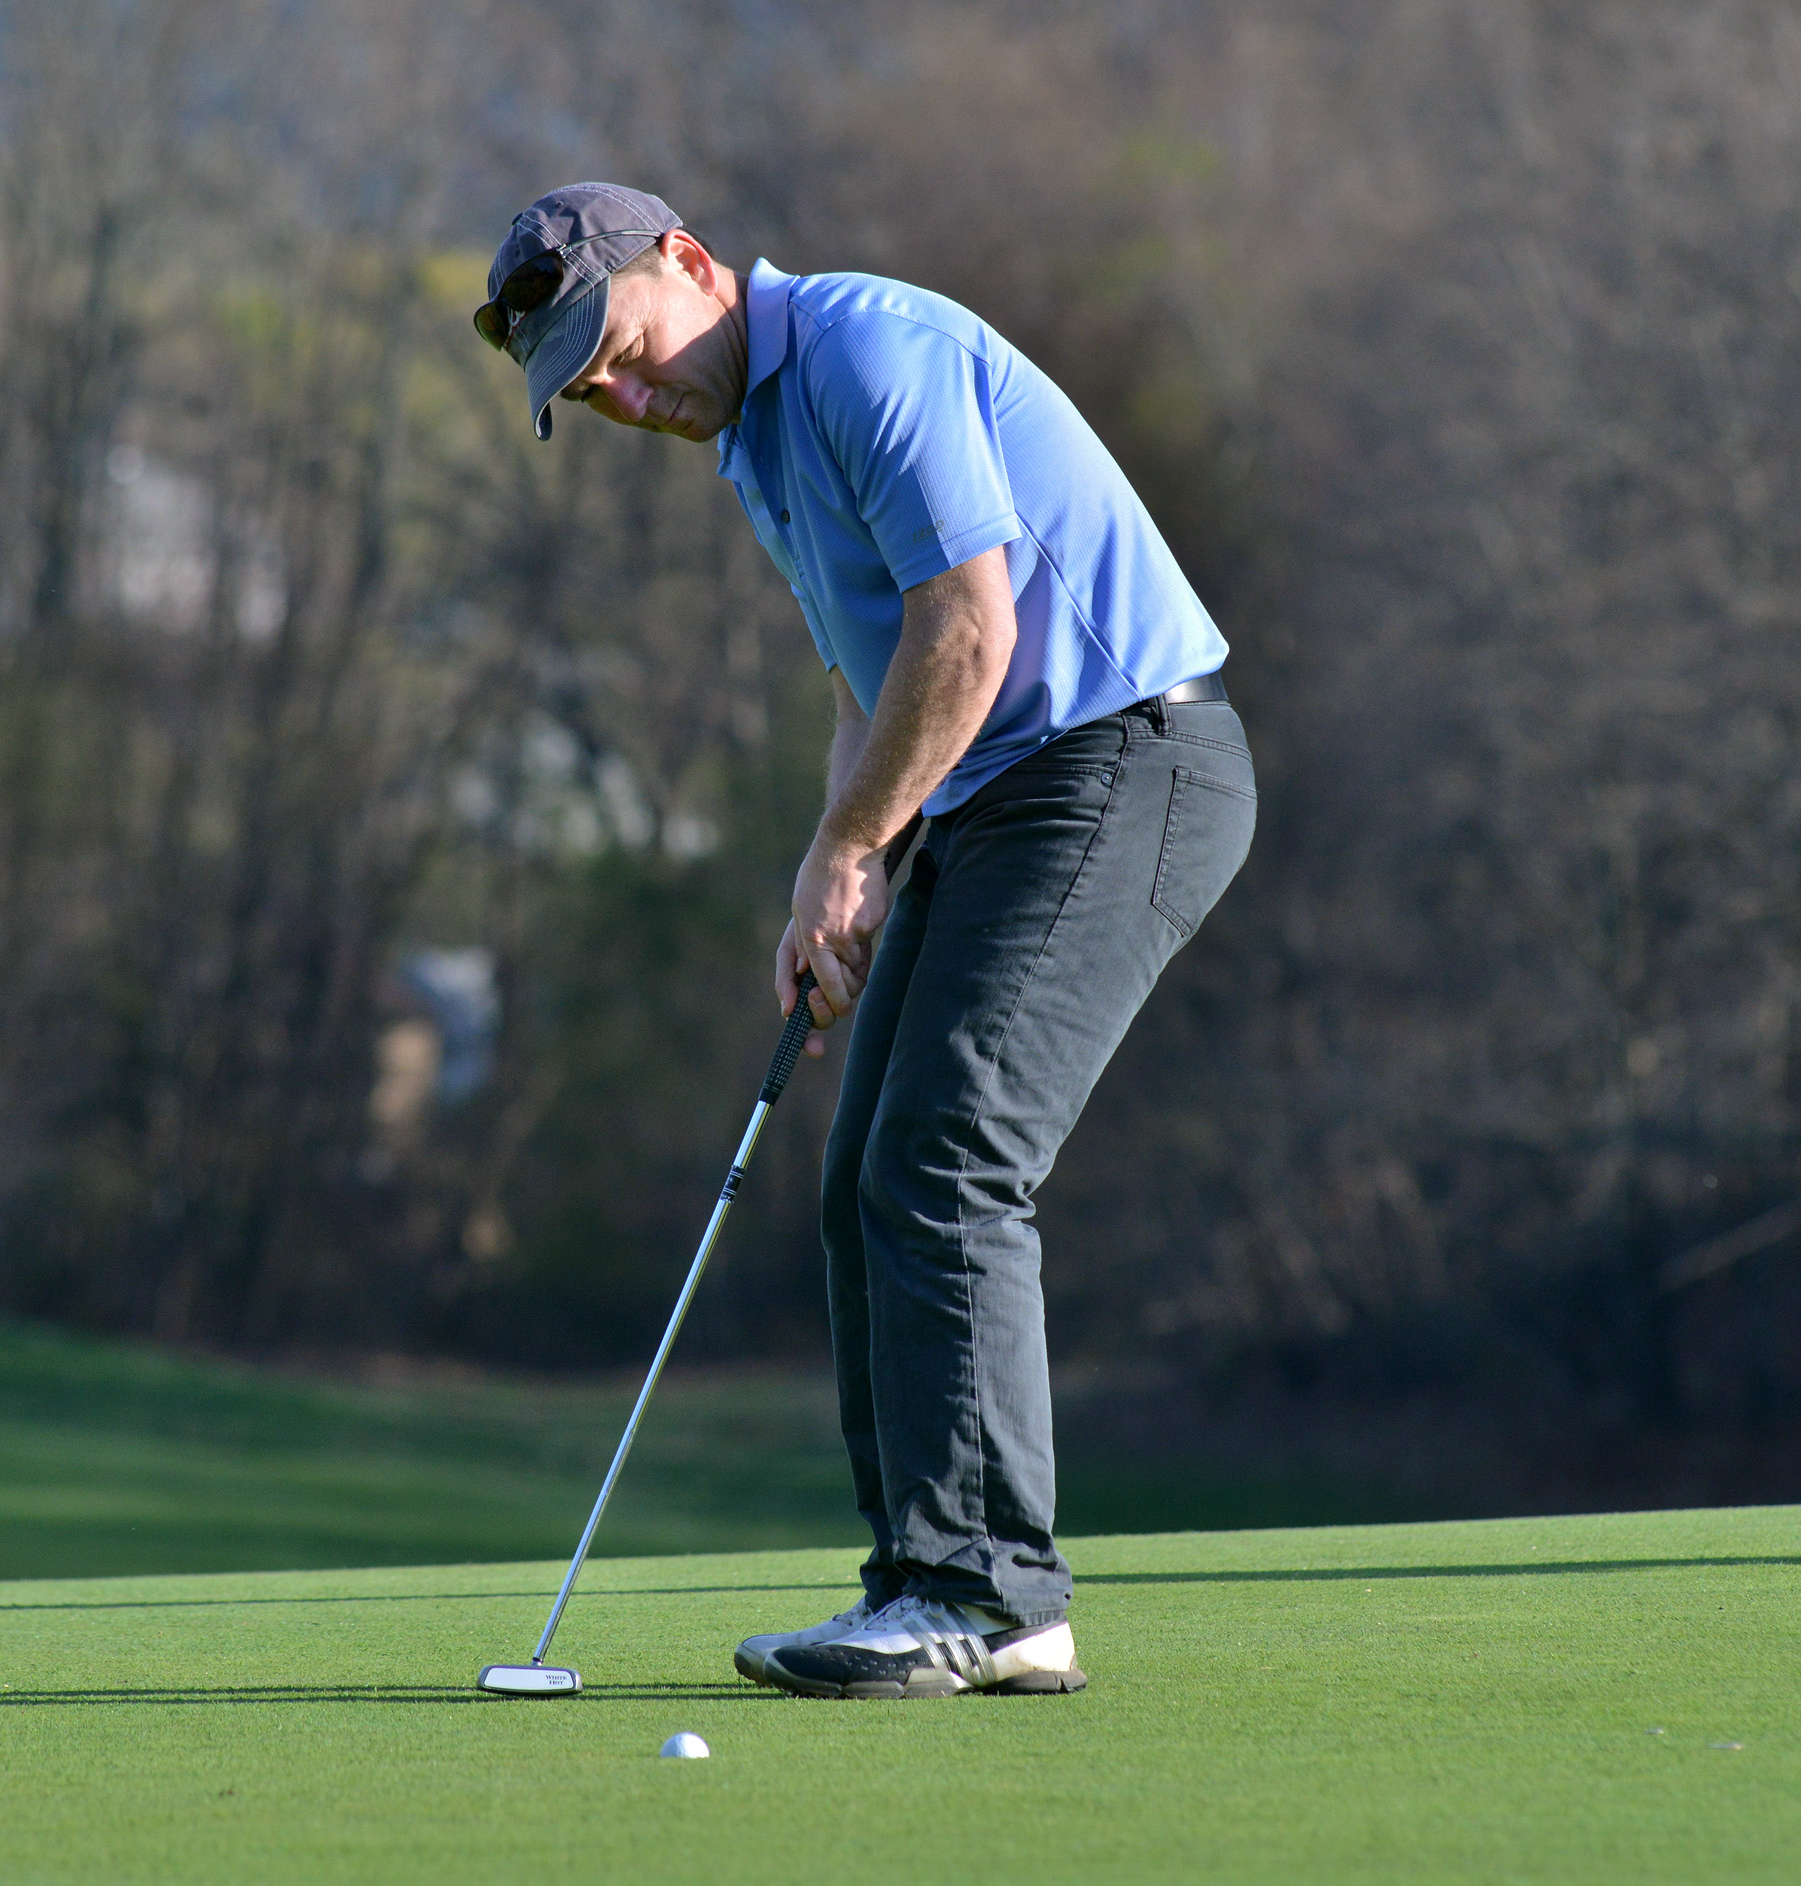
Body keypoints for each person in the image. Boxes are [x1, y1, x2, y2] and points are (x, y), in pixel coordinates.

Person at [474, 182, 1254, 1698]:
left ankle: (989, 1595)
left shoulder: (864, 352)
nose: (627, 400)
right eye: (591, 394)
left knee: (945, 1158)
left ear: (689, 262)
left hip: (1126, 760)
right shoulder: (757, 438)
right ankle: (915, 1578)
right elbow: (870, 674)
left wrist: (853, 846)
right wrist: (832, 870)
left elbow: (970, 626)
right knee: (861, 1184)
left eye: (621, 354)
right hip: (996, 793)